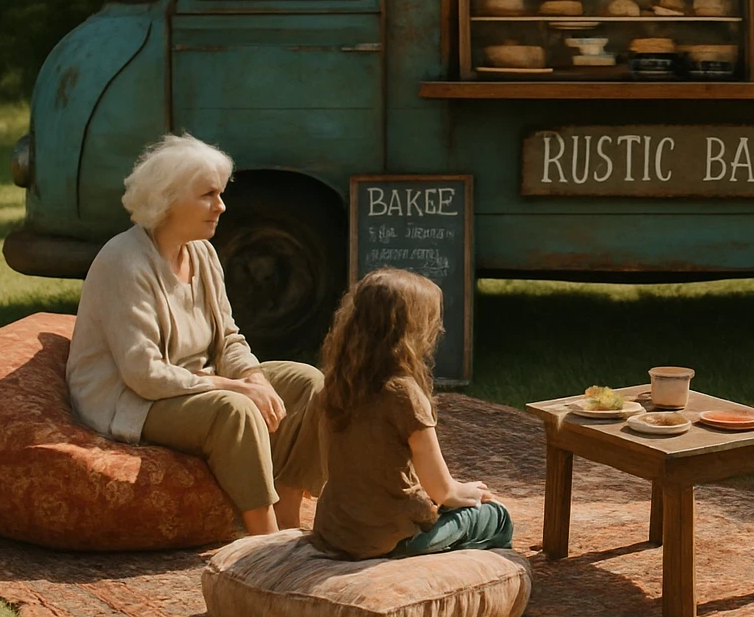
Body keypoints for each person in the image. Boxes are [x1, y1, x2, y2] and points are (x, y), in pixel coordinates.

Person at [67, 134, 325, 535]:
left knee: (308, 382)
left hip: (194, 384)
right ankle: (266, 544)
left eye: (220, 194)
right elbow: (144, 376)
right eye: (208, 195)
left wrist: (253, 378)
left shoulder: (202, 253)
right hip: (133, 399)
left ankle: (291, 520)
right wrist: (236, 389)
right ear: (167, 199)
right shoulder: (124, 262)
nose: (221, 206)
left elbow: (229, 339)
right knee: (234, 411)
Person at [311, 267, 514, 560]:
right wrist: (468, 493)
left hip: (334, 531)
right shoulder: (402, 393)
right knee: (496, 517)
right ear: (411, 330)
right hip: (388, 540)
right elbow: (443, 490)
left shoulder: (335, 384)